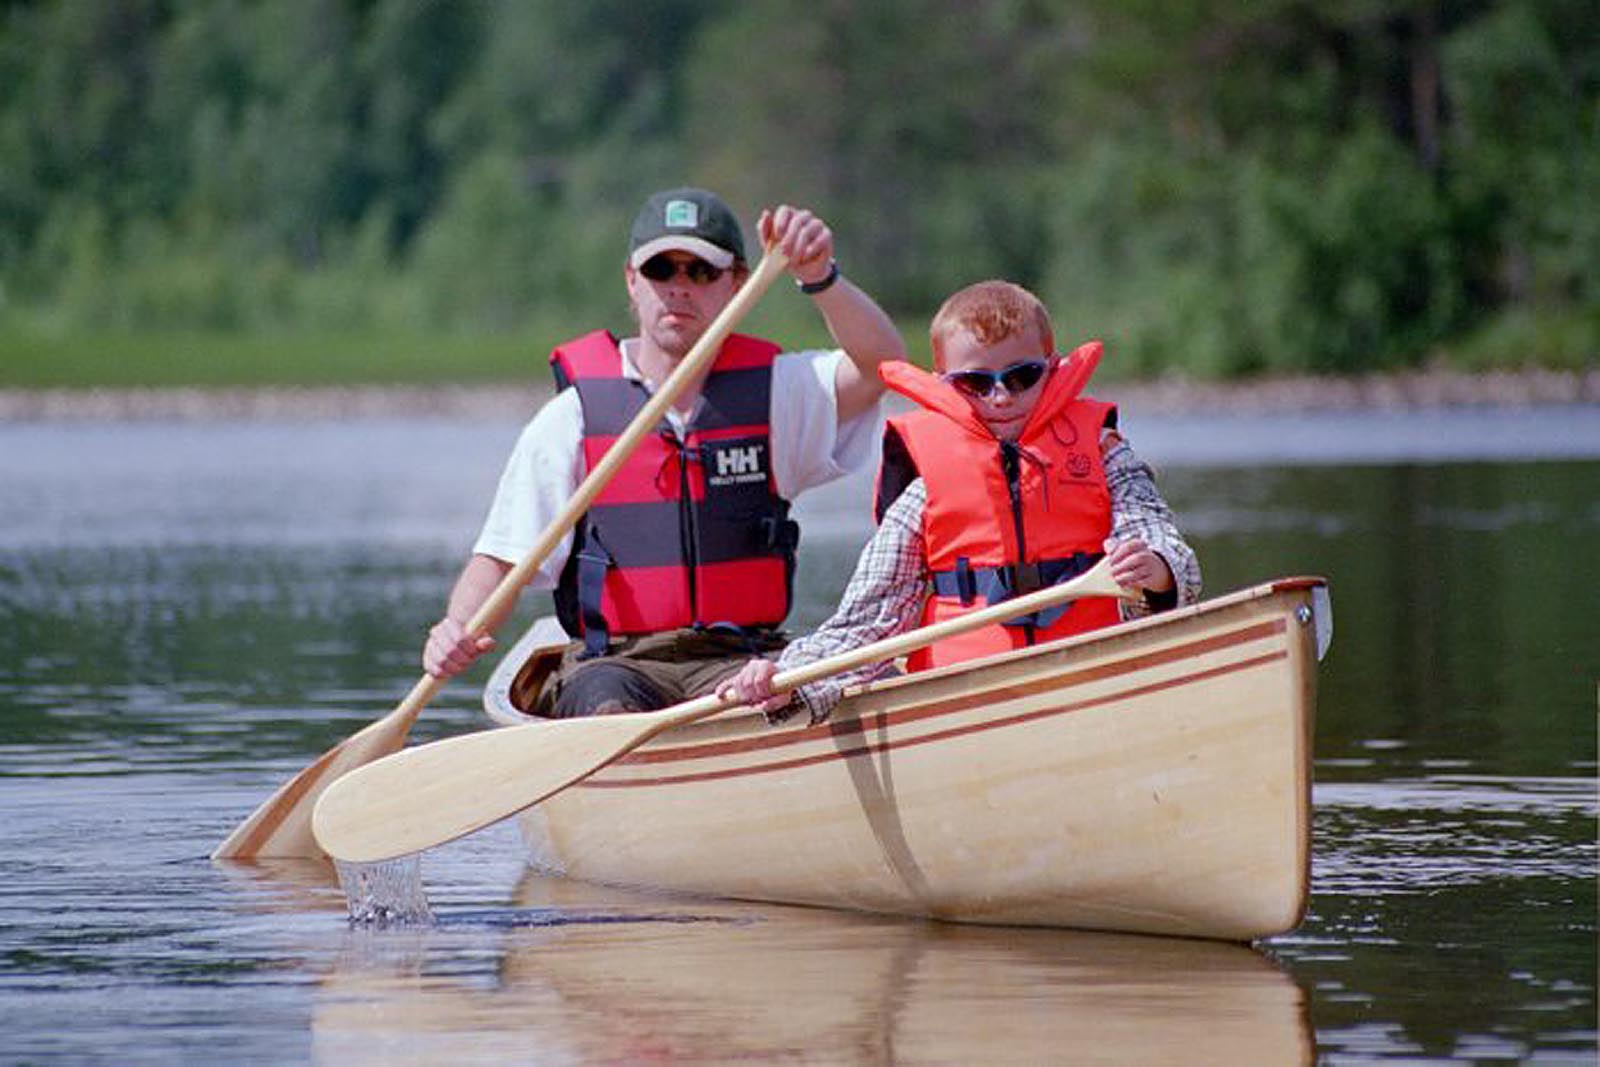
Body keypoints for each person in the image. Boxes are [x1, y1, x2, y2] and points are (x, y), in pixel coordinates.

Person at [422, 187, 907, 717]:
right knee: (606, 707)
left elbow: (881, 365)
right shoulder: (573, 417)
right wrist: (458, 629)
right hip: (618, 663)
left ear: (737, 283)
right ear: (633, 281)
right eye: (661, 271)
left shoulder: (778, 394)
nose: (679, 289)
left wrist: (820, 276)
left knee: (785, 697)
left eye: (700, 272)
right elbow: (499, 559)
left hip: (741, 659)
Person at [719, 279, 1201, 723]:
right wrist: (790, 682)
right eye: (976, 382)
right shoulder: (926, 489)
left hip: (1093, 681)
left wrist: (1156, 571)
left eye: (1021, 377)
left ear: (1051, 369)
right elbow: (870, 622)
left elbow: (1160, 539)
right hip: (967, 701)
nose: (1000, 397)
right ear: (945, 382)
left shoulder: (1101, 451)